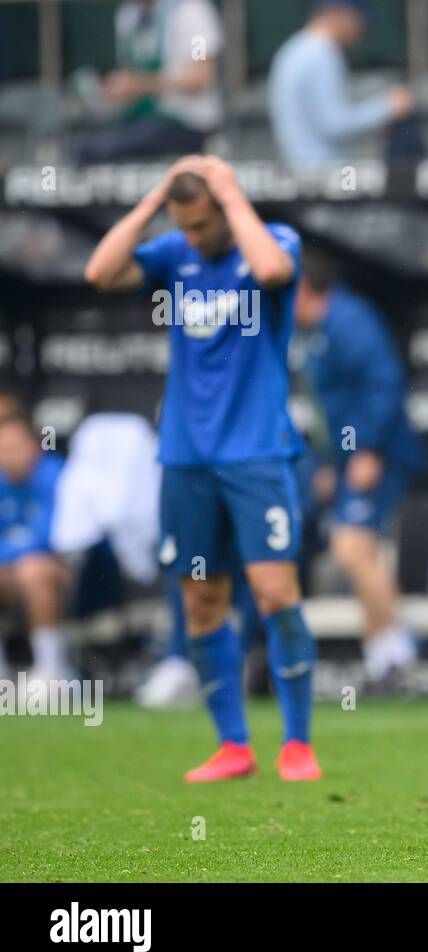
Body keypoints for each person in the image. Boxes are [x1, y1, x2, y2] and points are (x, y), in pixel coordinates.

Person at [84, 155, 321, 783]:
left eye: (199, 224)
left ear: (223, 206)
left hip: (257, 453)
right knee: (201, 602)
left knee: (274, 592)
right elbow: (100, 270)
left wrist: (231, 192)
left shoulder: (275, 242)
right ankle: (233, 746)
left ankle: (297, 743)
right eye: (181, 225)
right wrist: (155, 195)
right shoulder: (174, 253)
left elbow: (270, 269)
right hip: (186, 456)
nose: (191, 237)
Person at [293, 258, 426, 686]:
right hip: (350, 460)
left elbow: (383, 383)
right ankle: (381, 658)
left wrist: (367, 449)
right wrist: (333, 463)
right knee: (359, 552)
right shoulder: (313, 333)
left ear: (304, 285)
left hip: (378, 456)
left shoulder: (348, 320)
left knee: (352, 548)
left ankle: (400, 650)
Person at [268, 0, 414, 167]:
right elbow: (335, 125)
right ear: (341, 12)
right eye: (359, 18)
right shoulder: (322, 53)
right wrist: (387, 107)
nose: (362, 28)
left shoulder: (293, 49)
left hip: (298, 171)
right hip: (322, 177)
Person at [78, 0, 224, 163]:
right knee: (85, 146)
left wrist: (141, 85)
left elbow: (200, 78)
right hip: (140, 121)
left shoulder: (192, 11)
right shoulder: (128, 16)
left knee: (106, 149)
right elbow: (130, 73)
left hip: (188, 124)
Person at [0, 412, 68, 684]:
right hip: (10, 571)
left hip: (61, 570)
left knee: (34, 570)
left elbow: (47, 538)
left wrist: (10, 557)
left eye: (17, 447)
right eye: (4, 449)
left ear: (35, 446)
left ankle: (51, 671)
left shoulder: (55, 475)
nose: (10, 456)